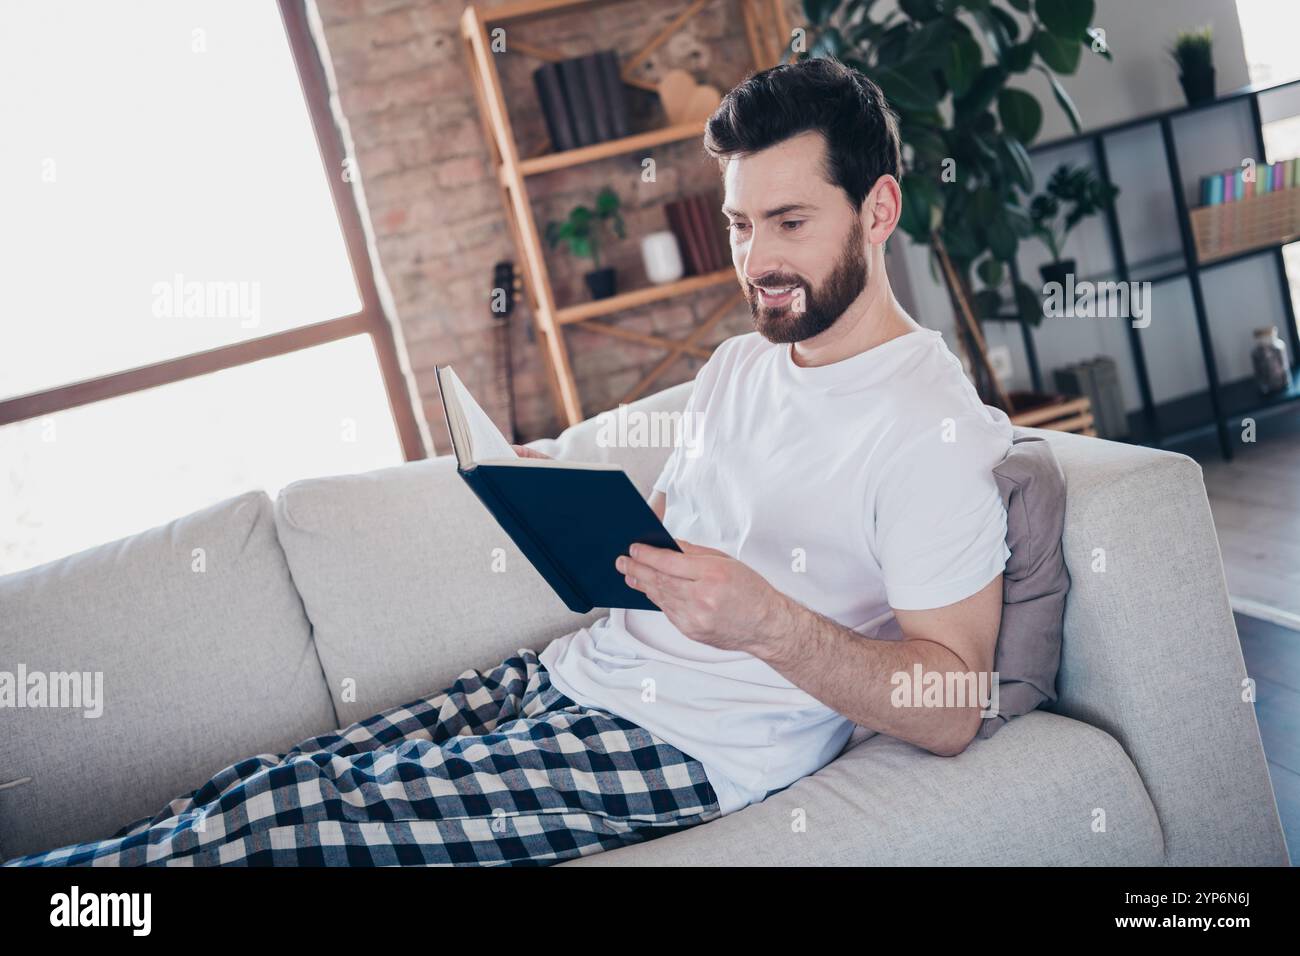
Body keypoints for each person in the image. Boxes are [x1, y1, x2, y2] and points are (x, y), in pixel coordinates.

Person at [7, 56, 1011, 867]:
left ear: (878, 210)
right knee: (263, 787)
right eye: (742, 225)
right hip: (571, 675)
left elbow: (954, 704)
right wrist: (566, 503)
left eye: (789, 224)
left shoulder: (930, 426)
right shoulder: (742, 366)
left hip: (677, 746)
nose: (755, 261)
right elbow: (677, 530)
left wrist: (772, 623)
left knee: (275, 840)